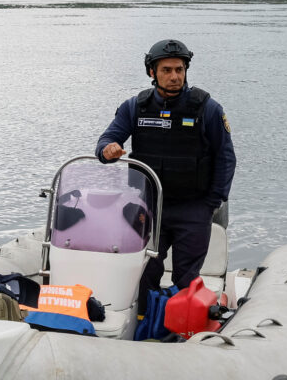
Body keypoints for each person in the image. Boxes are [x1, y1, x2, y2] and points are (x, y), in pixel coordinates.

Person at [96, 39, 236, 303]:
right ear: (152, 72)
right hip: (150, 207)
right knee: (144, 272)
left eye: (179, 70)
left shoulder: (207, 109)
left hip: (193, 209)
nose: (174, 77)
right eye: (167, 70)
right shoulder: (135, 107)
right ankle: (145, 318)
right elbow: (106, 140)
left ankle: (182, 323)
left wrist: (211, 203)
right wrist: (108, 150)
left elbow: (226, 158)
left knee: (186, 278)